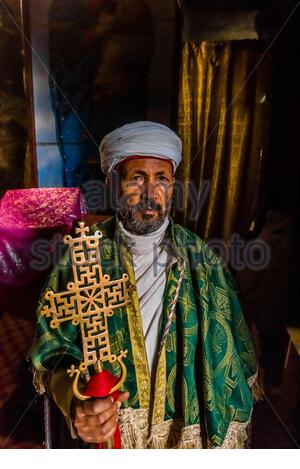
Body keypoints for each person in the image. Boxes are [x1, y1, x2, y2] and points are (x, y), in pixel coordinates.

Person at [30, 121, 257, 449]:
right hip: (115, 434)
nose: (150, 193)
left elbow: (233, 352)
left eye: (161, 179)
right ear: (113, 183)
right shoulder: (82, 256)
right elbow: (52, 354)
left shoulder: (200, 258)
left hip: (184, 437)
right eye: (137, 178)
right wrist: (76, 404)